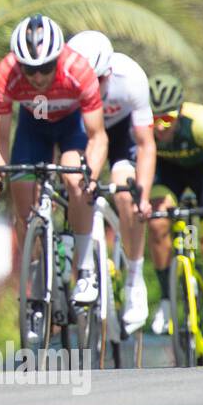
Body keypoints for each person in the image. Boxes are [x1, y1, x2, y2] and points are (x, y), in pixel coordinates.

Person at [0, 15, 108, 341]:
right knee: (21, 194)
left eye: (45, 68)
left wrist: (90, 174)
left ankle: (85, 271)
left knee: (75, 179)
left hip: (71, 128)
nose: (37, 76)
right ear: (18, 63)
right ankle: (35, 283)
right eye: (29, 69)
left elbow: (98, 136)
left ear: (58, 58)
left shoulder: (78, 70)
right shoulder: (6, 75)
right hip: (32, 129)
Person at [66, 31, 156, 335]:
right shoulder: (65, 81)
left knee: (126, 194)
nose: (91, 90)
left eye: (97, 82)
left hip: (120, 137)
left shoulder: (131, 78)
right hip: (84, 133)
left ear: (109, 73)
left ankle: (134, 277)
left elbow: (146, 145)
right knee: (75, 181)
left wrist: (141, 194)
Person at [146, 74, 203, 368]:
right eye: (154, 119)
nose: (160, 127)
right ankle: (166, 299)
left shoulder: (201, 122)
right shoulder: (146, 128)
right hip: (167, 174)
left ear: (180, 112)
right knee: (157, 221)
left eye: (167, 119)